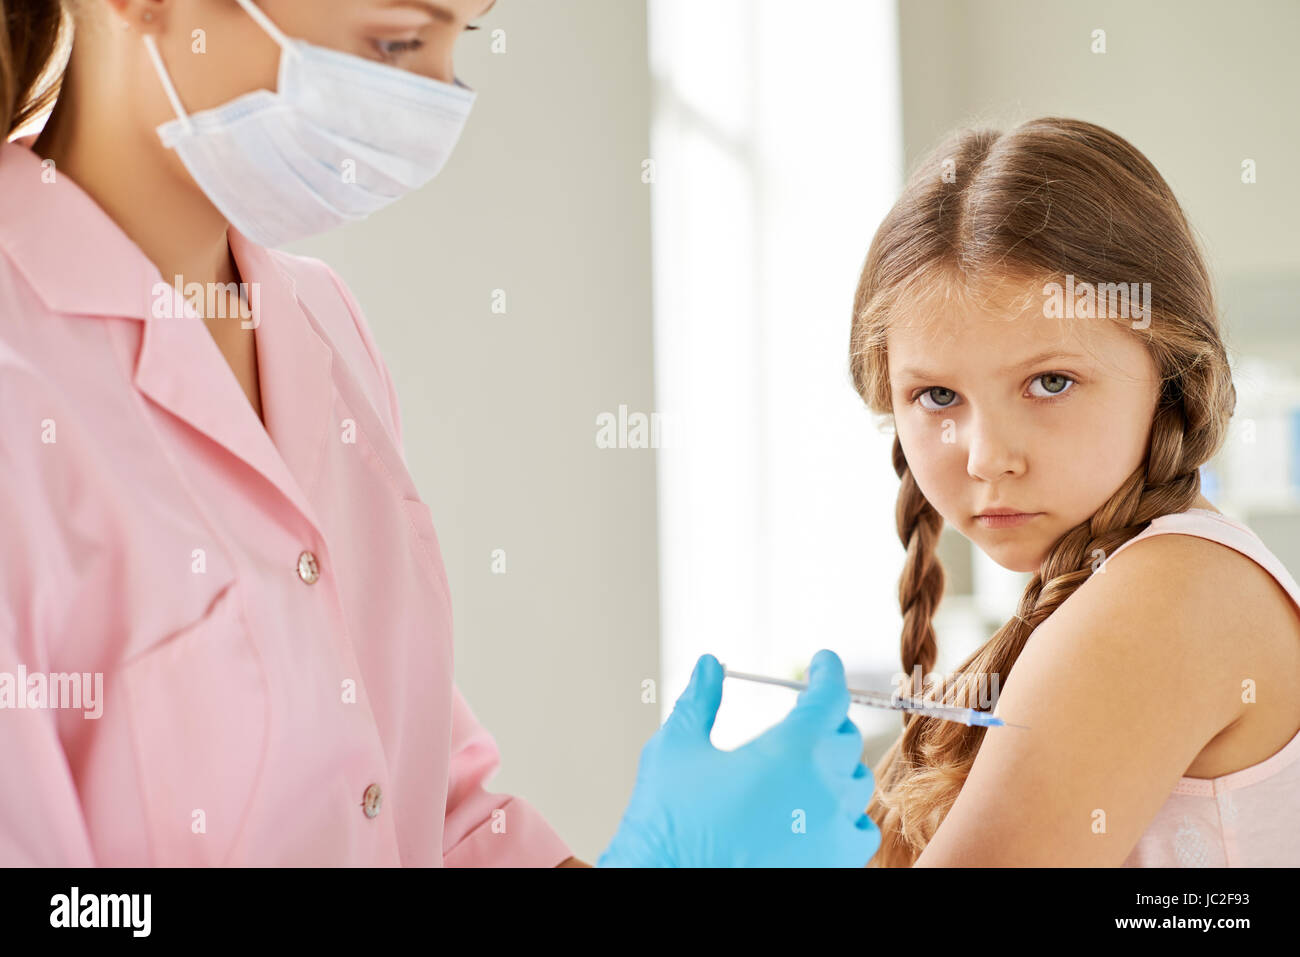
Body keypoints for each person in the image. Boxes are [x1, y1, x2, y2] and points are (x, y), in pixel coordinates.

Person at [0, 0, 880, 867]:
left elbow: (430, 816)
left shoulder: (320, 323)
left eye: (461, 43)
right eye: (396, 41)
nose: (430, 107)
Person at [849, 117, 1300, 866]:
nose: (989, 458)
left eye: (1050, 381)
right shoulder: (1121, 582)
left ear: (1168, 369)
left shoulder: (1172, 591)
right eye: (935, 396)